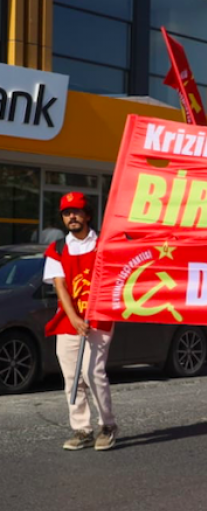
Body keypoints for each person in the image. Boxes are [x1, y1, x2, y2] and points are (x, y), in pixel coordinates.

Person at [43, 193, 117, 451]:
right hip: (69, 319)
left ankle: (107, 425)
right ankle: (82, 429)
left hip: (99, 317)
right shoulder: (58, 248)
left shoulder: (104, 244)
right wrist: (74, 318)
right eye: (66, 212)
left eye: (76, 211)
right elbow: (60, 285)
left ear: (87, 215)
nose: (71, 216)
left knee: (92, 372)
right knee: (72, 376)